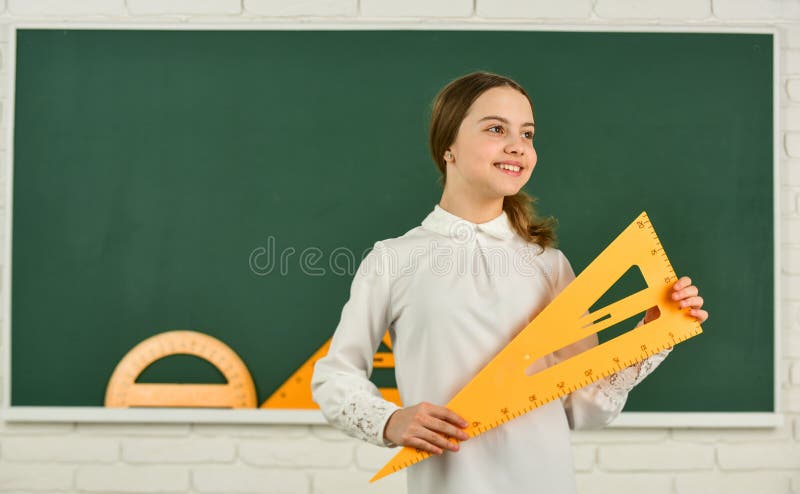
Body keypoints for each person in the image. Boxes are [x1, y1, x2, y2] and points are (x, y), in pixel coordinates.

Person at [310, 71, 708, 493]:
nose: (518, 145)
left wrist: (649, 338)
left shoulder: (549, 266)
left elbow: (585, 408)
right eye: (496, 129)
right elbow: (335, 377)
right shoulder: (394, 259)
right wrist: (390, 420)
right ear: (448, 146)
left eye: (528, 133)